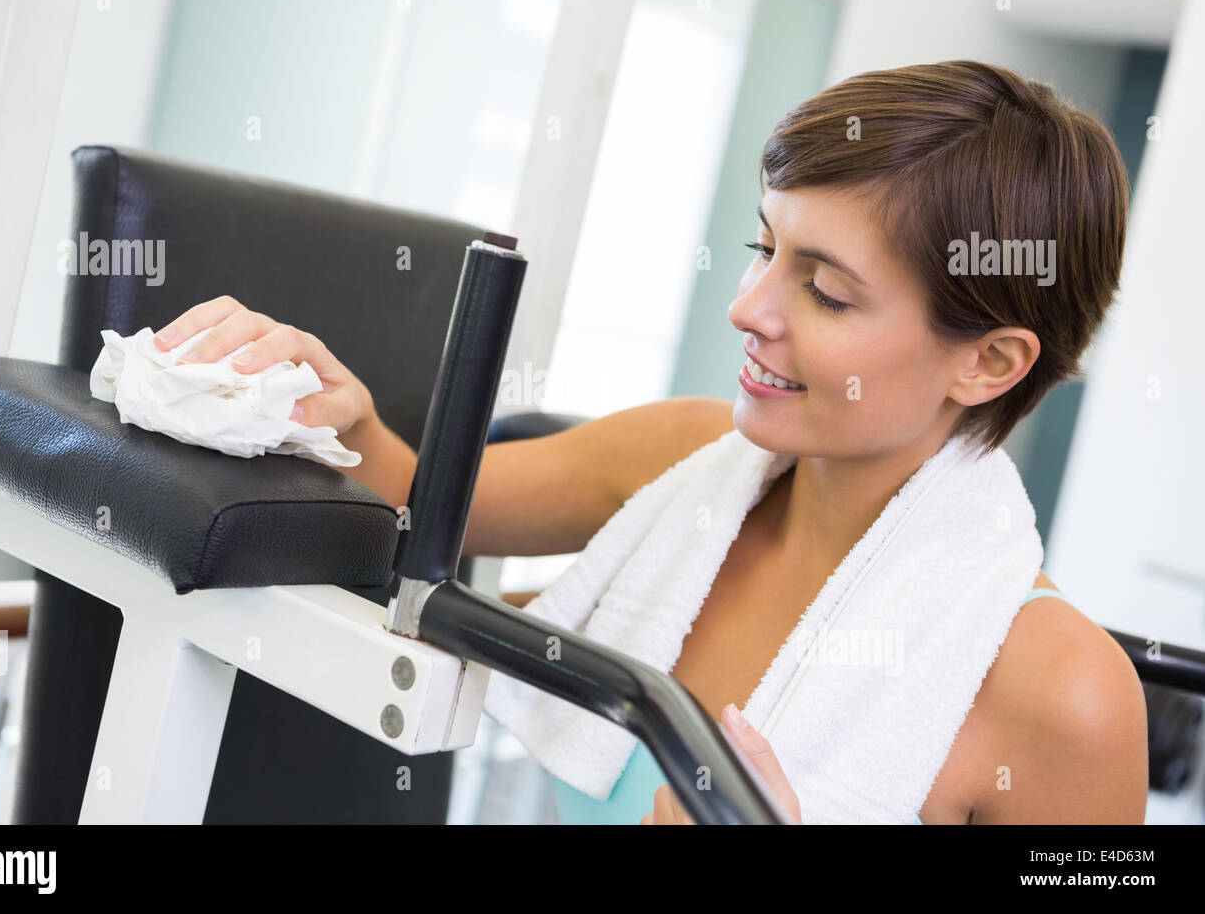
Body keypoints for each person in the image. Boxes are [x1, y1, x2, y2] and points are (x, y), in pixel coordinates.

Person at [151, 60, 1147, 824]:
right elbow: (427, 505)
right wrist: (340, 411)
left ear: (987, 363)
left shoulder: (1068, 697)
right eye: (764, 247)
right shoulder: (685, 459)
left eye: (828, 290)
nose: (746, 307)